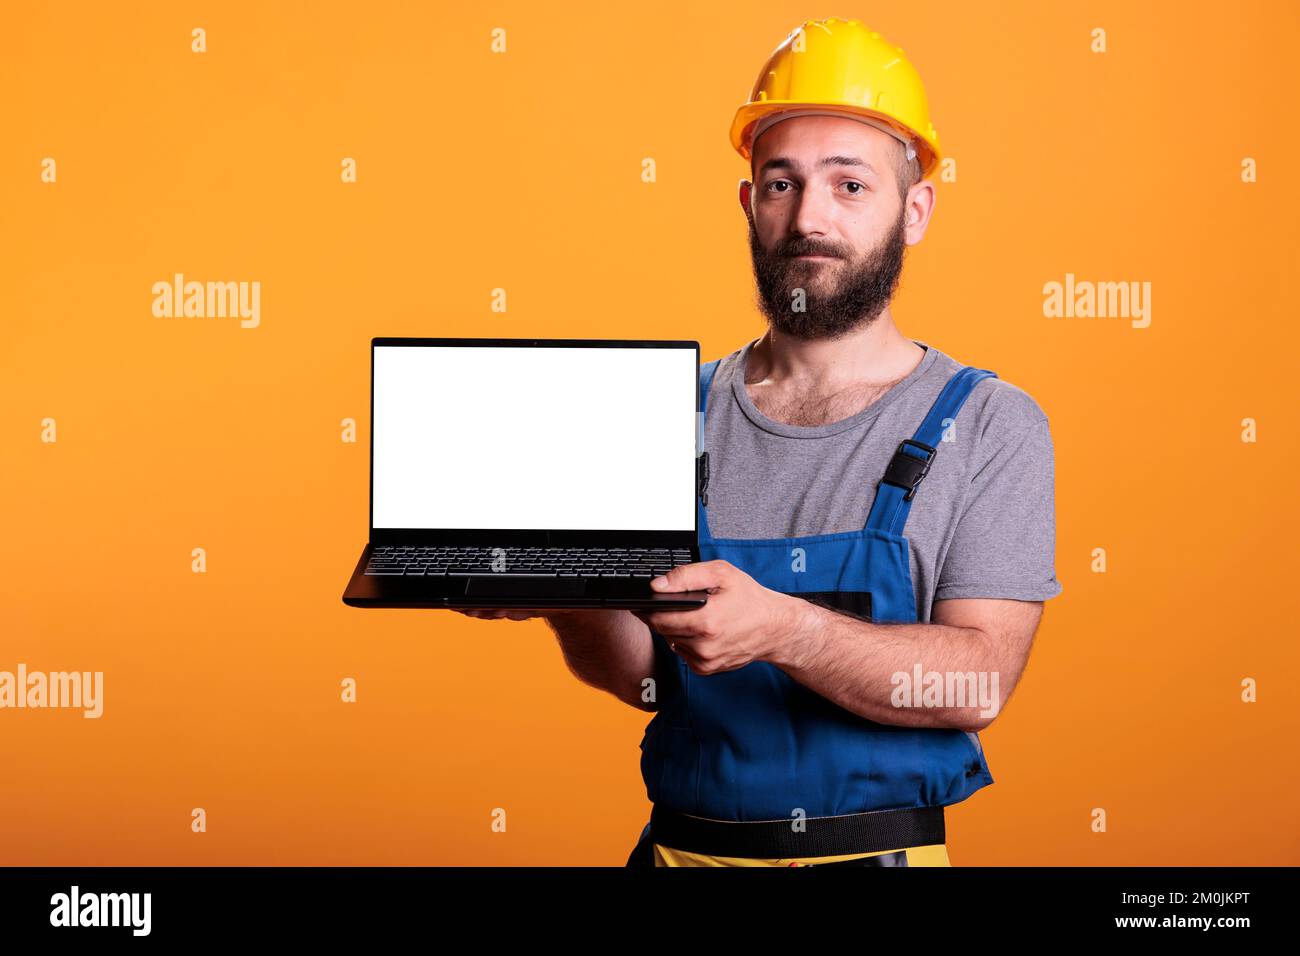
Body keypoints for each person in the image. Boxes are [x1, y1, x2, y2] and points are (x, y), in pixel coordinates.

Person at [458, 16, 1062, 867]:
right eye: (781, 183)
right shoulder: (667, 412)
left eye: (849, 185)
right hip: (677, 856)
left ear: (914, 210)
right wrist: (566, 594)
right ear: (750, 204)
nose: (809, 217)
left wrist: (787, 630)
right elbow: (646, 682)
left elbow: (976, 683)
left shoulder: (990, 423)